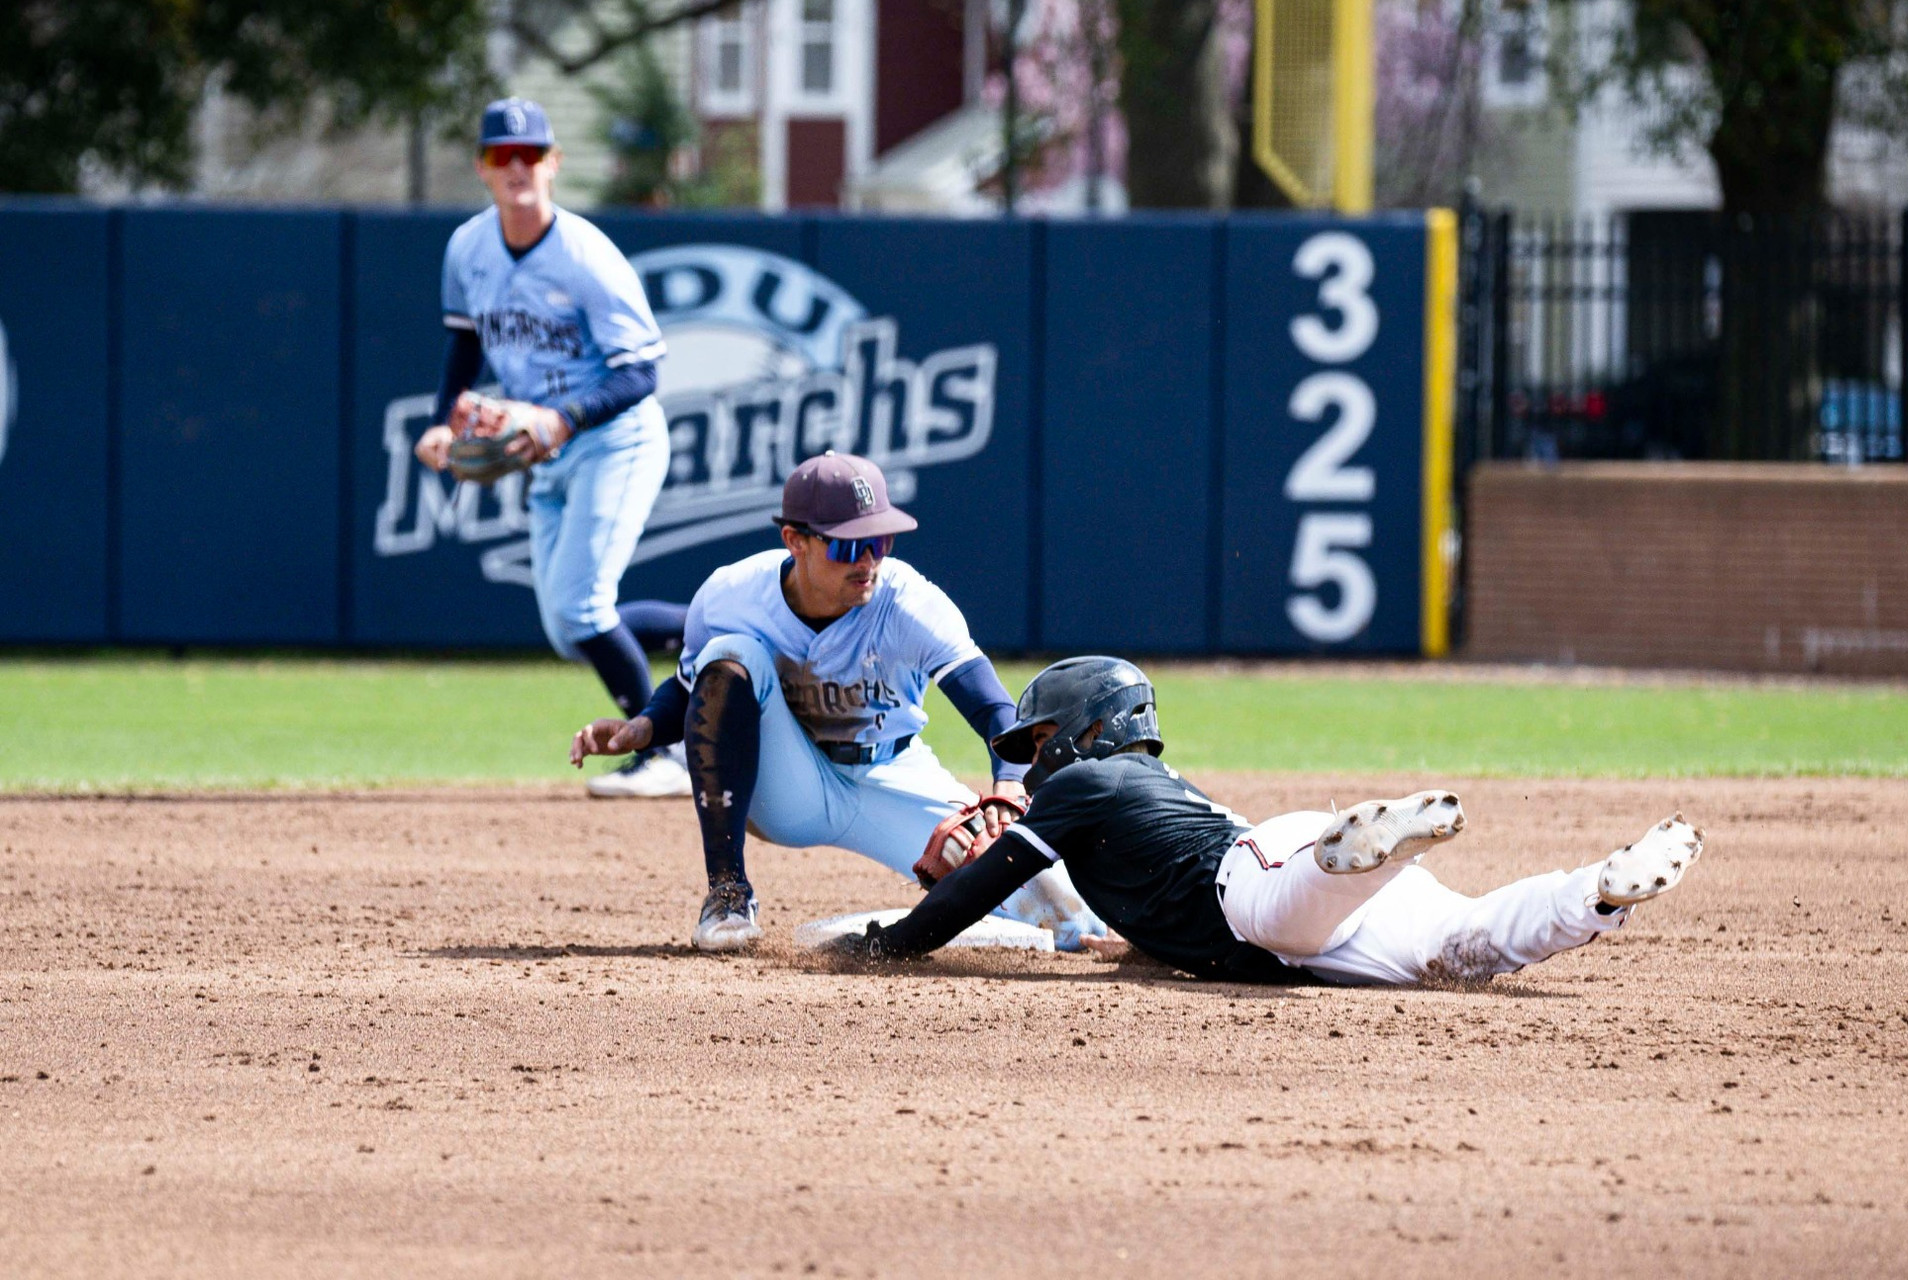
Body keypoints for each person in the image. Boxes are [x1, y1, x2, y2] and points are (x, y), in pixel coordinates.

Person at [831, 657, 1706, 985]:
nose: (1036, 753)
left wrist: (886, 945)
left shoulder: (1085, 785)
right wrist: (1132, 945)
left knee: (1276, 907)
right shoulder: (1141, 788)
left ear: (1092, 730)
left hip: (1263, 875)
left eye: (1046, 732)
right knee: (1465, 951)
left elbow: (981, 887)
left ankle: (1355, 853)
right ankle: (1595, 895)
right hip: (1297, 924)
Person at [567, 450, 1105, 952]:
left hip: (891, 773)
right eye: (848, 545)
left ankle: (986, 920)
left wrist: (1008, 785)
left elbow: (991, 707)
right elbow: (692, 690)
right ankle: (728, 891)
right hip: (787, 783)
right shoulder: (732, 594)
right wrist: (645, 727)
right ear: (794, 540)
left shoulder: (907, 601)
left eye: (881, 542)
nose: (868, 560)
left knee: (1068, 920)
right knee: (732, 653)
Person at [413, 97, 690, 799]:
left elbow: (641, 373)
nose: (517, 167)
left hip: (614, 440)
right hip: (547, 451)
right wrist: (445, 419)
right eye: (502, 156)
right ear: (482, 167)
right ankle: (717, 631)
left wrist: (560, 418)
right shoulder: (469, 249)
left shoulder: (587, 256)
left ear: (554, 164)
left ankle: (665, 752)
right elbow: (464, 342)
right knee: (570, 627)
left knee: (583, 608)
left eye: (530, 154)